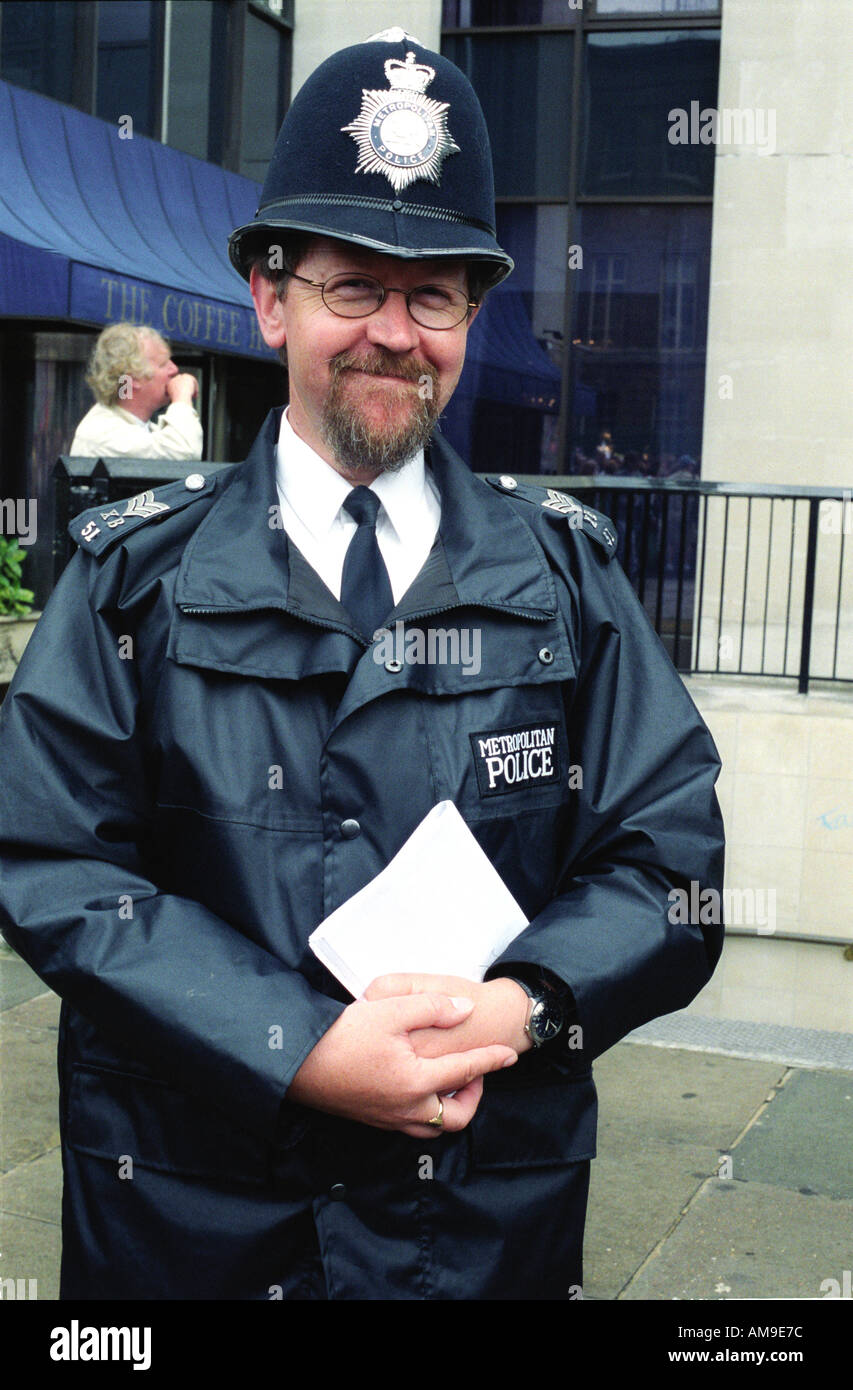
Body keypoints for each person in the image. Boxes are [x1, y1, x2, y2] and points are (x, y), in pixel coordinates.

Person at [0, 31, 724, 1301]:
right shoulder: (130, 577)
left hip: (478, 1222)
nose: (394, 333)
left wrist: (522, 1008)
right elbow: (50, 857)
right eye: (352, 288)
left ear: (469, 318)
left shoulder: (568, 575)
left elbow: (670, 867)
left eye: (431, 294)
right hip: (189, 1223)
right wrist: (302, 1049)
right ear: (271, 300)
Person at [69, 322, 202, 459]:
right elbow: (185, 451)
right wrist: (182, 398)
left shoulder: (133, 425)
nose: (174, 369)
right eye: (163, 364)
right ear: (133, 379)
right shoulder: (102, 433)